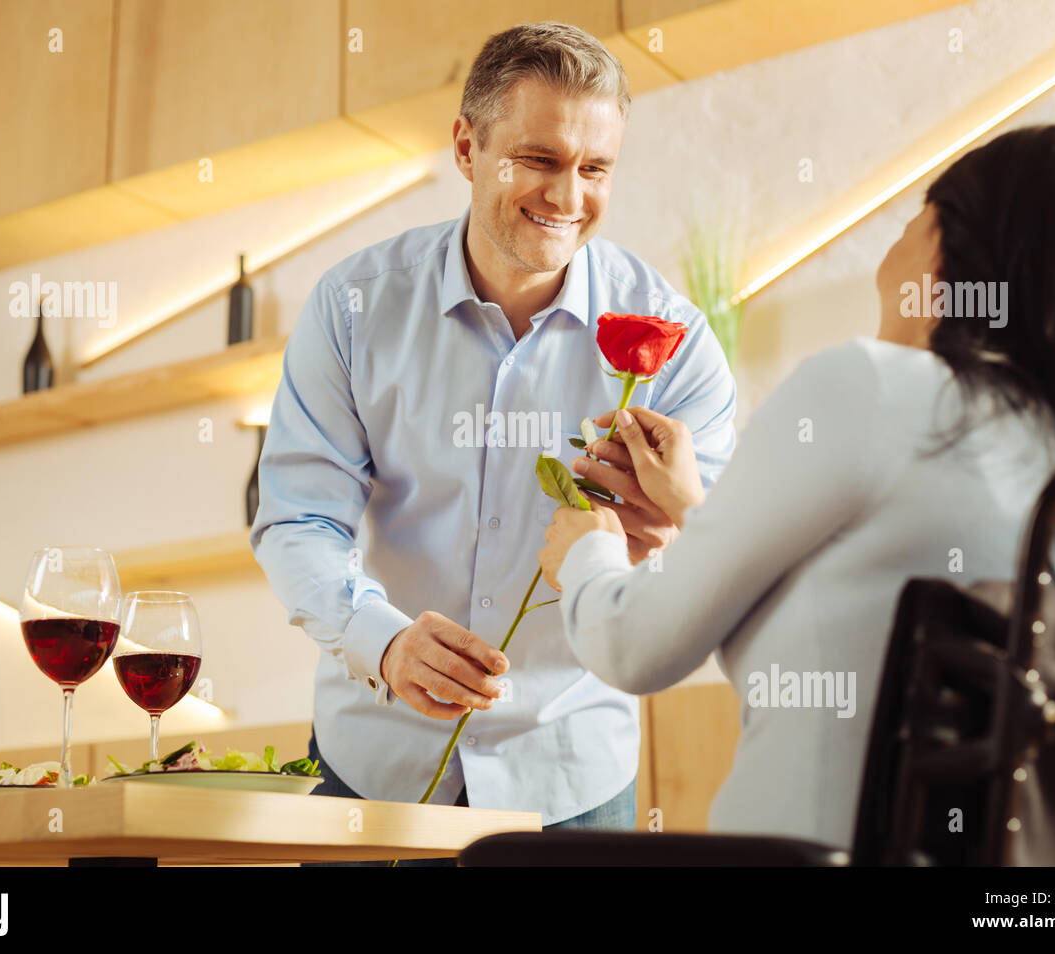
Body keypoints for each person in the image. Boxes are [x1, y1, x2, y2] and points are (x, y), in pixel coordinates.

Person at [539, 123, 1055, 848]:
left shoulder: (877, 386)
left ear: (943, 248)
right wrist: (694, 512)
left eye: (912, 220)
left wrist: (588, 553)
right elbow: (858, 651)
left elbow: (633, 645)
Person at [251, 21, 738, 865]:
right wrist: (384, 641)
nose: (568, 197)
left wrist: (671, 532)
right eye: (539, 160)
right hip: (374, 763)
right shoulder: (353, 307)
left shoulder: (675, 342)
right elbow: (297, 518)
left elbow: (729, 554)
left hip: (572, 777)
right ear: (467, 149)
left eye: (595, 169)